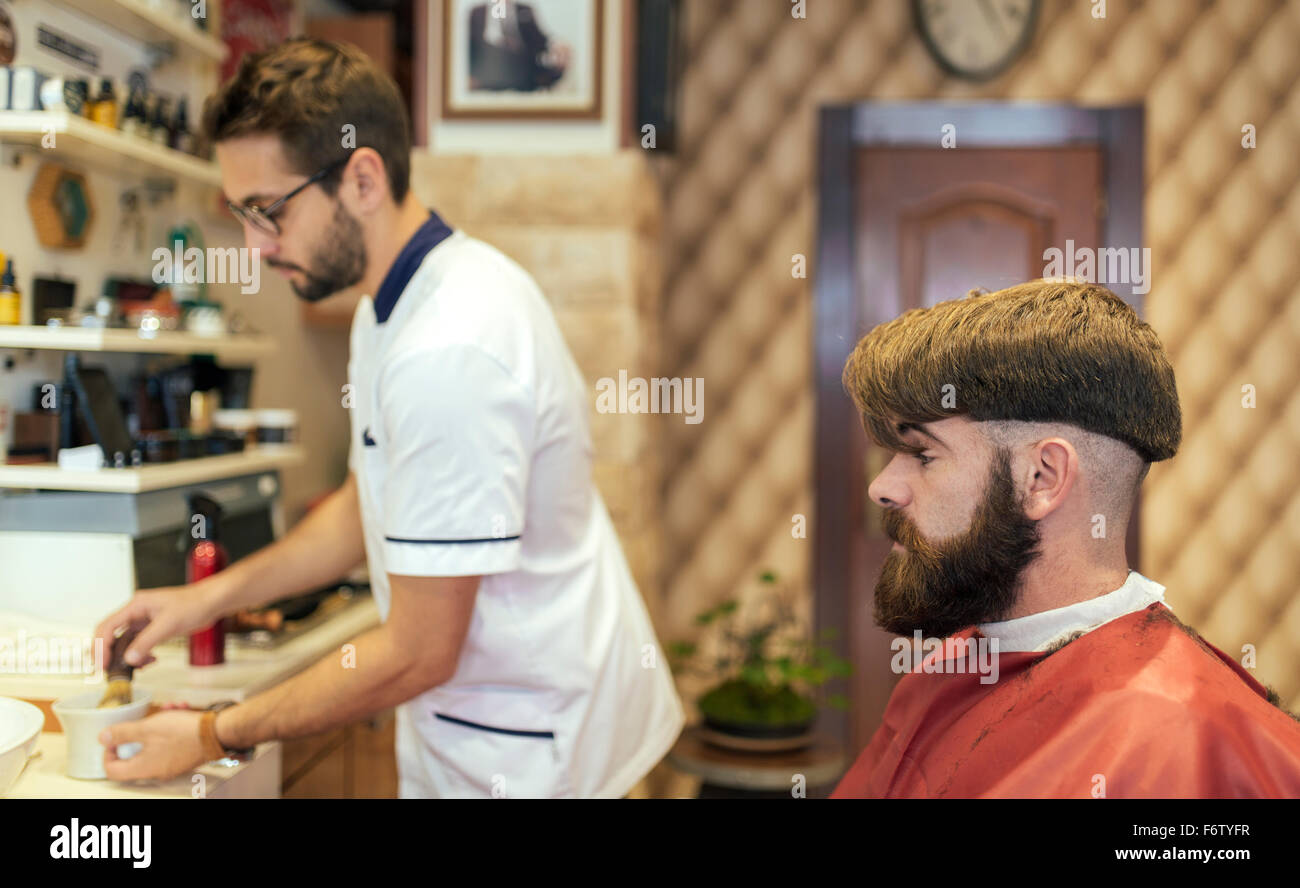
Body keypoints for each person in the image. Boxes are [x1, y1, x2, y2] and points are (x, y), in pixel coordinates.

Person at [93, 38, 683, 798]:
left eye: (266, 211)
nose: (253, 246)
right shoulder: (392, 306)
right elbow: (360, 504)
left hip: (540, 755)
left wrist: (211, 734)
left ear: (362, 177)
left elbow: (418, 651)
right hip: (482, 731)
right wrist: (202, 599)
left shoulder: (451, 347)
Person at [832, 279, 1300, 798]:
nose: (881, 488)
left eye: (923, 455)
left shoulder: (1186, 739)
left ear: (1043, 478)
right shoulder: (953, 665)